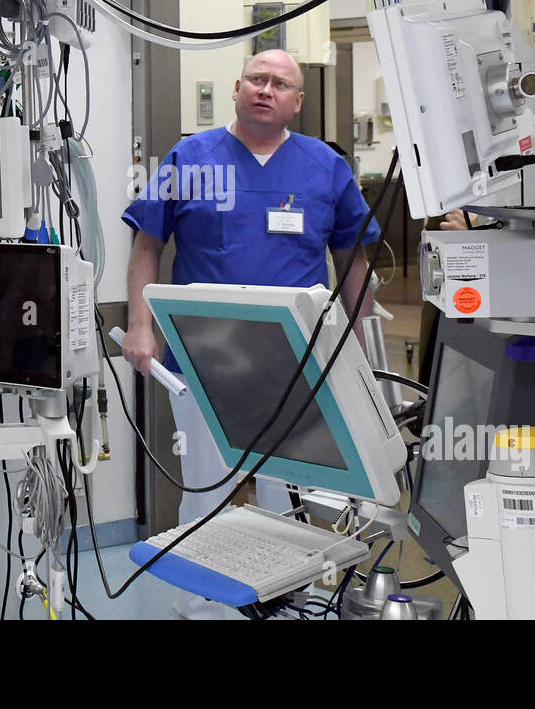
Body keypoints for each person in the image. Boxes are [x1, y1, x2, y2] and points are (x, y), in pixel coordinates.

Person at [121, 49, 382, 527]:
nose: (266, 89)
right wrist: (141, 327)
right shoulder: (191, 158)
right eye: (256, 79)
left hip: (298, 358)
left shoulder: (325, 166)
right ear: (236, 89)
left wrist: (359, 349)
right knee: (205, 493)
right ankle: (201, 604)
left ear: (298, 101)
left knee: (293, 497)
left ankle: (291, 599)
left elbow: (353, 260)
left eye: (280, 84)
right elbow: (146, 247)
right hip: (205, 355)